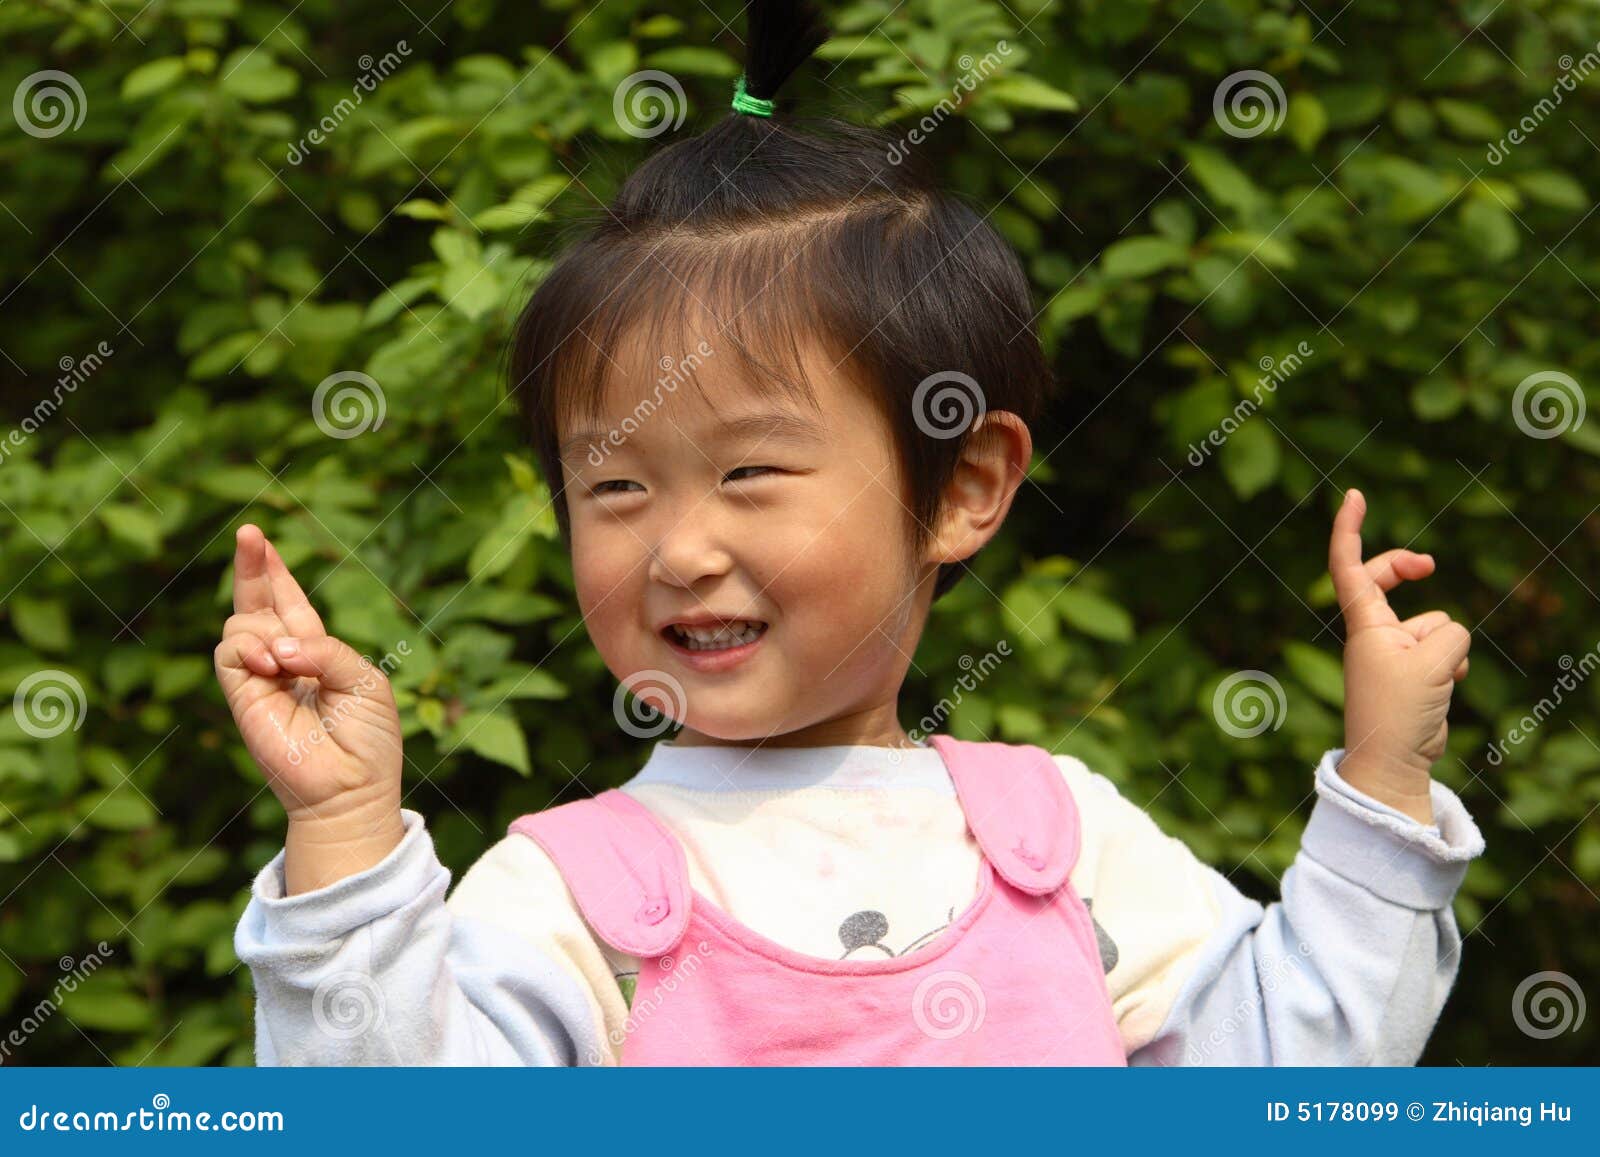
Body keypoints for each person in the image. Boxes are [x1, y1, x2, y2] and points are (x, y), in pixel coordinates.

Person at [218, 0, 1483, 1065]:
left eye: (752, 468)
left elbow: (1294, 1068)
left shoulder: (1055, 843)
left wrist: (1382, 775)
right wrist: (342, 832)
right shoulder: (568, 900)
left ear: (962, 486)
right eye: (613, 488)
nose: (679, 549)